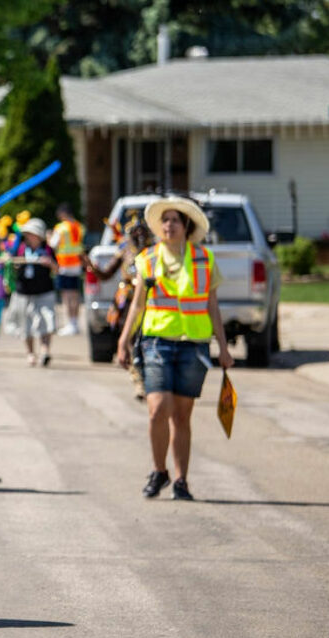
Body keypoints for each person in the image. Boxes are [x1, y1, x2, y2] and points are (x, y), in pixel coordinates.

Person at [117, 197, 233, 501]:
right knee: (158, 409)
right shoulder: (149, 259)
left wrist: (223, 347)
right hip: (156, 343)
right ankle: (159, 471)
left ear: (187, 226)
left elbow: (212, 306)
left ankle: (181, 480)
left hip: (194, 346)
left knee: (182, 417)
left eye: (175, 220)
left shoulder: (204, 259)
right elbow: (138, 304)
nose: (168, 225)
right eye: (165, 220)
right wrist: (124, 340)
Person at [88, 209, 155, 399]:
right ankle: (139, 382)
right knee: (133, 341)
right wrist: (93, 268)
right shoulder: (124, 250)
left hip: (152, 303)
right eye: (136, 232)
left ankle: (152, 380)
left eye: (143, 231)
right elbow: (107, 274)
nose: (139, 235)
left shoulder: (155, 251)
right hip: (129, 303)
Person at [5, 218, 58, 367]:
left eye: (32, 234)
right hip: (24, 292)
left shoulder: (47, 250)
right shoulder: (20, 249)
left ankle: (45, 351)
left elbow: (56, 269)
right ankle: (30, 353)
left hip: (44, 291)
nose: (29, 237)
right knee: (25, 325)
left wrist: (49, 263)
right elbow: (11, 266)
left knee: (46, 323)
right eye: (27, 234)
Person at [50, 203, 86, 336]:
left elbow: (53, 244)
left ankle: (70, 324)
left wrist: (49, 237)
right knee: (75, 295)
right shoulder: (79, 226)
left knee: (67, 296)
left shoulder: (61, 228)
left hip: (64, 264)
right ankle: (75, 323)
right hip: (76, 264)